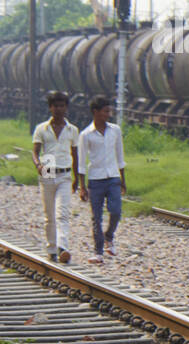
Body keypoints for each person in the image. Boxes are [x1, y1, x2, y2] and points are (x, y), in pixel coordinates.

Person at [31, 91, 80, 264]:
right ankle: (51, 248)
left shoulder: (72, 130)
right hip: (48, 169)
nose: (58, 109)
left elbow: (75, 154)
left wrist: (78, 179)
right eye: (55, 106)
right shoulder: (41, 129)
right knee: (49, 215)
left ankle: (63, 247)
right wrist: (38, 165)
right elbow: (35, 151)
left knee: (63, 213)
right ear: (50, 108)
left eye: (62, 106)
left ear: (66, 108)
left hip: (65, 173)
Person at [77, 95, 126, 264]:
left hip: (113, 177)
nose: (108, 114)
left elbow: (120, 156)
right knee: (96, 217)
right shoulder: (85, 135)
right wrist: (82, 187)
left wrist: (123, 179)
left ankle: (109, 236)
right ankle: (98, 252)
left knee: (116, 211)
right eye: (105, 111)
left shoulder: (115, 131)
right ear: (95, 112)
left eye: (109, 111)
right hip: (96, 180)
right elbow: (81, 162)